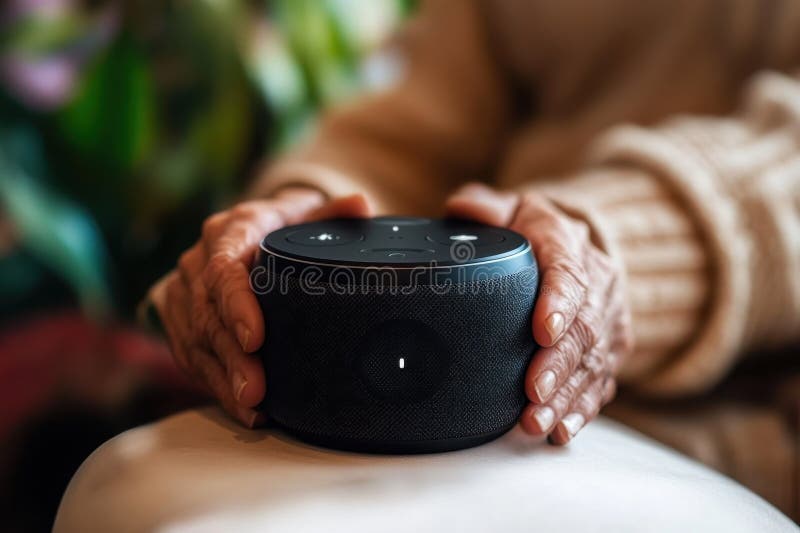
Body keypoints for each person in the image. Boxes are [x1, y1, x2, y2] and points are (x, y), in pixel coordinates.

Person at [148, 0, 800, 485]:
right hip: (473, 360)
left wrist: (610, 255)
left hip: (720, 415)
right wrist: (295, 216)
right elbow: (410, 127)